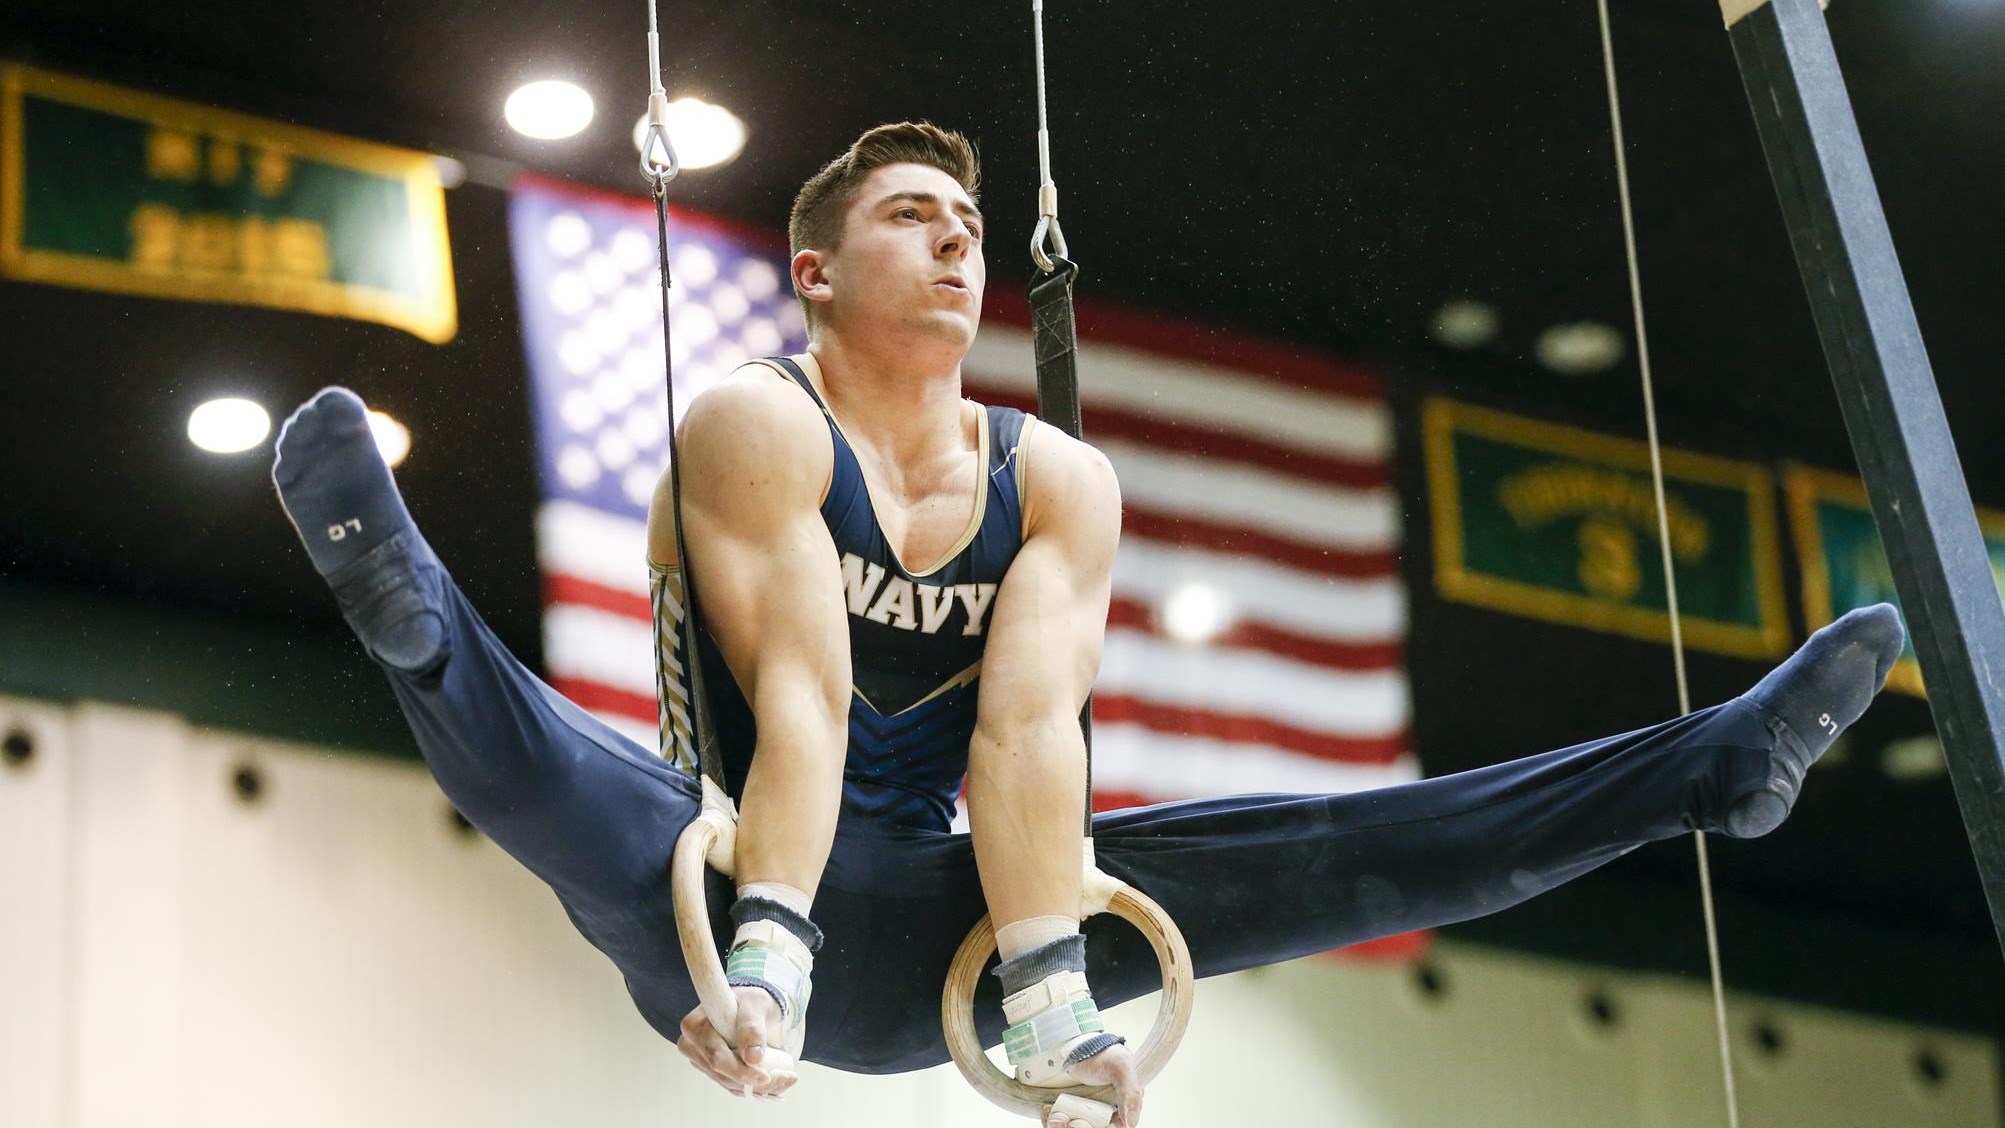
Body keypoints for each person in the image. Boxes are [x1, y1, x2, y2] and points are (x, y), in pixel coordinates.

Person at [271, 121, 1906, 1128]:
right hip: (725, 874)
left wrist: (1053, 1007)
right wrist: (764, 965)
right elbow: (807, 699)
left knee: (1327, 849)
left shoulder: (1060, 480)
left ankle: (1711, 767)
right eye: (914, 216)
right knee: (569, 786)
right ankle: (411, 615)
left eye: (969, 227)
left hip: (946, 935)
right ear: (816, 271)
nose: (956, 241)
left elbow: (1027, 732)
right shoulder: (755, 423)